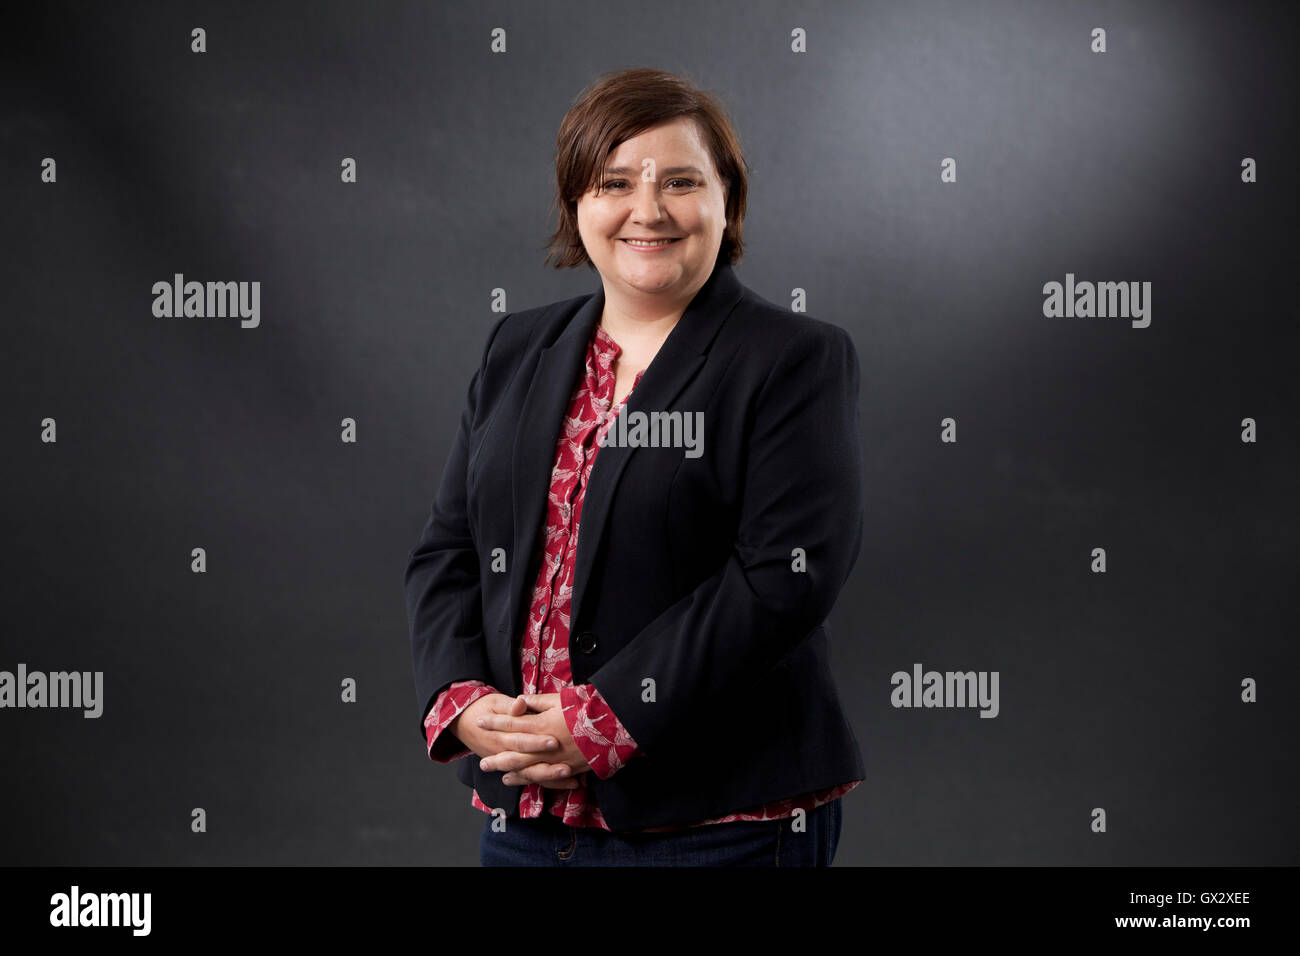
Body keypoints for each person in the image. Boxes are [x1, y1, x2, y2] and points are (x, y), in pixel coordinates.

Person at [405, 67, 865, 866]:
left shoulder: (792, 358)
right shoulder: (516, 348)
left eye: (680, 181)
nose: (647, 210)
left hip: (725, 825)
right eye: (614, 181)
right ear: (577, 203)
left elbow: (785, 575)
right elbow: (448, 549)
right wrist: (462, 701)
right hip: (528, 819)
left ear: (729, 201)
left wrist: (603, 721)